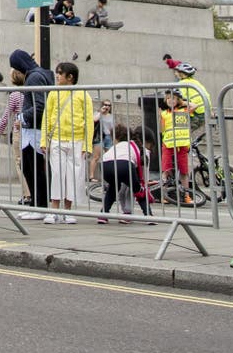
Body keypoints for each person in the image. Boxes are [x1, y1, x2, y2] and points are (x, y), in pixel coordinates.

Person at [40, 61, 93, 224]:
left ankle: (68, 210)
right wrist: (44, 140)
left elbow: (89, 120)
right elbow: (47, 117)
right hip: (57, 138)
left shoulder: (83, 94)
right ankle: (54, 209)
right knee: (57, 174)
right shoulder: (53, 93)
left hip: (77, 140)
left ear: (70, 77)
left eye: (60, 73)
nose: (57, 76)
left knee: (73, 176)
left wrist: (87, 144)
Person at [9, 50, 54, 218]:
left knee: (33, 169)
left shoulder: (33, 77)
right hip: (36, 128)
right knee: (32, 169)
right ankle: (36, 204)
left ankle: (39, 206)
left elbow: (40, 105)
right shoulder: (42, 74)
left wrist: (23, 117)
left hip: (34, 129)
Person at [97, 124, 154, 223]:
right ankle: (148, 216)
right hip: (124, 165)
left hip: (105, 166)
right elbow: (142, 169)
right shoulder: (138, 148)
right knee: (138, 190)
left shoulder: (117, 146)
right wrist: (143, 184)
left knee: (112, 189)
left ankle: (103, 214)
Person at [158, 88, 193, 205]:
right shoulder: (163, 113)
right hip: (168, 144)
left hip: (182, 145)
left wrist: (182, 102)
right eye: (168, 98)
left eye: (173, 98)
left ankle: (187, 195)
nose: (170, 100)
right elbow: (162, 129)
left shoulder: (184, 110)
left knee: (184, 171)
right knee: (166, 170)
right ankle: (164, 195)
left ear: (178, 100)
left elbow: (195, 105)